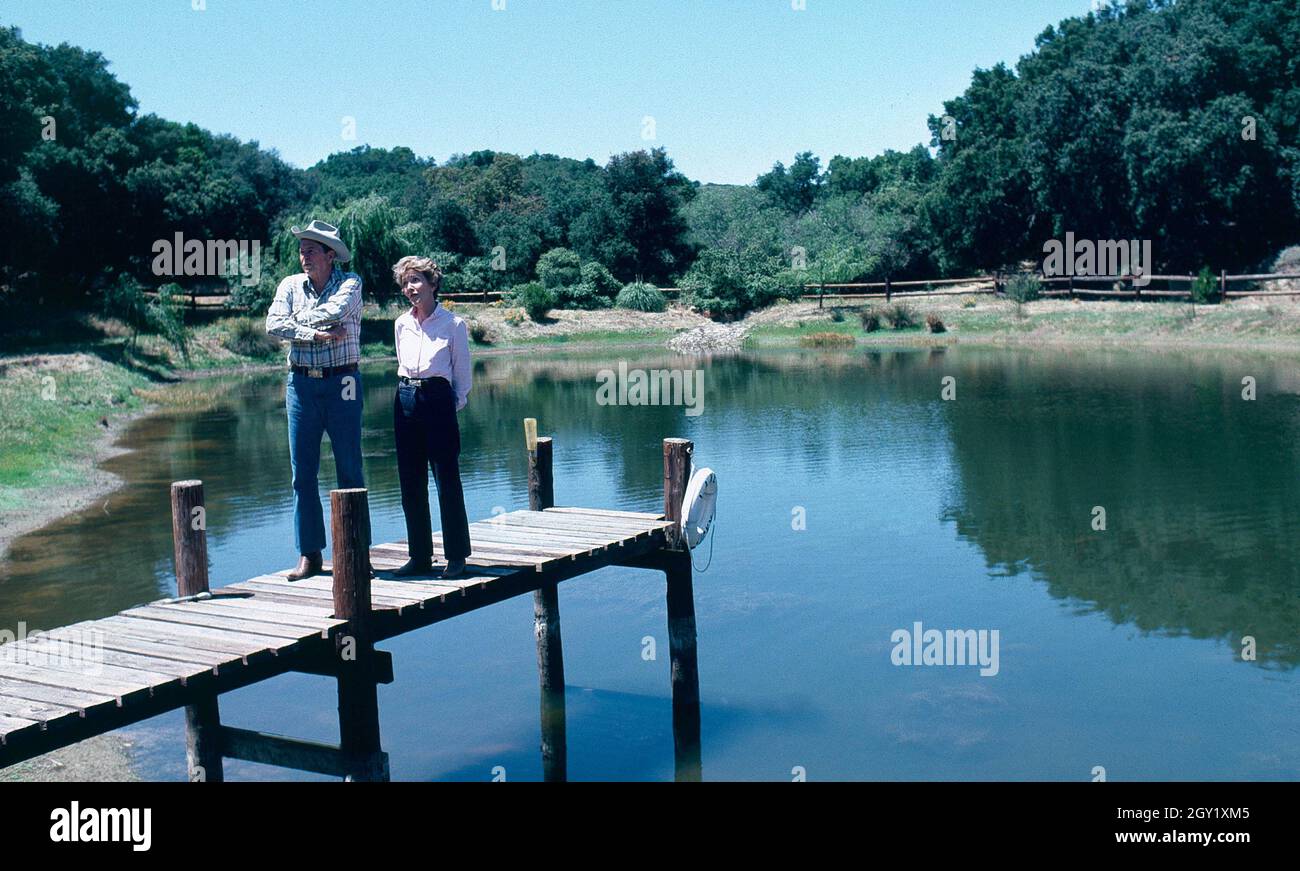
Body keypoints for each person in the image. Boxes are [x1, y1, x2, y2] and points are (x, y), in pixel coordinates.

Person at [264, 220, 368, 581]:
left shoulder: (351, 282)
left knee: (350, 470)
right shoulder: (289, 285)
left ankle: (357, 552)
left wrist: (297, 325)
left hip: (344, 383)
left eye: (310, 250)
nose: (302, 256)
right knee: (302, 475)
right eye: (302, 250)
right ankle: (310, 555)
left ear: (329, 254)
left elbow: (335, 313)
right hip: (301, 385)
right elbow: (272, 324)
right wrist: (315, 336)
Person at [389, 255, 472, 579]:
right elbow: (402, 363)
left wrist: (448, 406)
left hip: (438, 400)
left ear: (433, 283)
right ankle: (420, 557)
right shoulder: (401, 324)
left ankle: (456, 557)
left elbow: (462, 377)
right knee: (410, 482)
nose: (410, 288)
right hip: (405, 398)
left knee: (447, 480)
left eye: (416, 281)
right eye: (405, 283)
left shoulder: (453, 325)